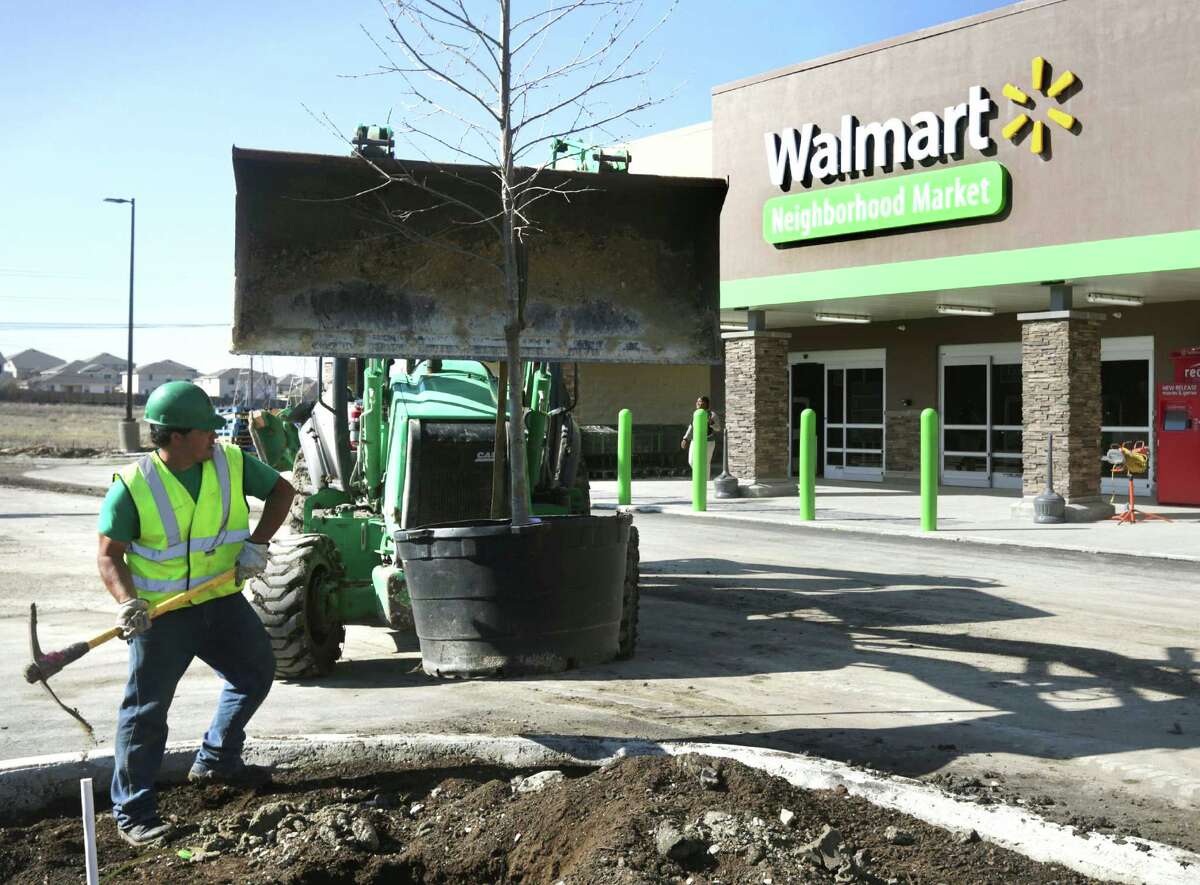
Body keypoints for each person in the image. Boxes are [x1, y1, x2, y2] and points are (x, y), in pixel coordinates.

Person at [97, 381, 295, 846]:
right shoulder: (134, 486)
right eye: (206, 430)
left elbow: (282, 491)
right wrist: (128, 603)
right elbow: (109, 555)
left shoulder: (230, 461)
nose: (215, 436)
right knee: (146, 712)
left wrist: (257, 543)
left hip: (220, 600)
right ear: (176, 436)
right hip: (162, 617)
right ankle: (134, 812)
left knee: (254, 672)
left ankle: (216, 760)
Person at [681, 395, 722, 480]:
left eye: (700, 401)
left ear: (705, 403)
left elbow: (718, 428)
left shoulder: (712, 414)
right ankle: (700, 478)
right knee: (691, 461)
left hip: (708, 441)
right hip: (695, 440)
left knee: (705, 463)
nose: (697, 403)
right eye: (697, 401)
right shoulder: (696, 413)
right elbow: (691, 427)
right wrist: (685, 438)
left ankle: (706, 481)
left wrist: (711, 423)